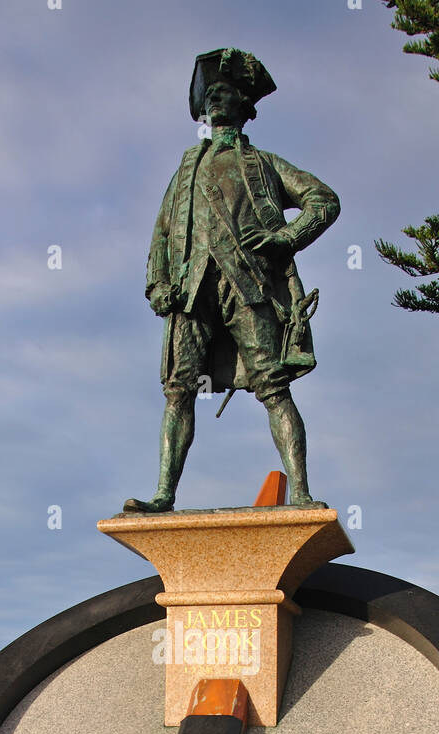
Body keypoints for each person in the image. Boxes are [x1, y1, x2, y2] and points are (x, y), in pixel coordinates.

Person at [123, 47, 341, 513]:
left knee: (274, 387)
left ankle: (300, 492)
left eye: (227, 93)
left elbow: (324, 200)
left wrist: (285, 239)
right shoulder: (186, 168)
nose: (217, 100)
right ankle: (164, 493)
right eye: (212, 95)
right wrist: (158, 285)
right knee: (179, 389)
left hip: (247, 284)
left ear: (246, 106)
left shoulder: (265, 163)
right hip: (190, 287)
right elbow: (162, 232)